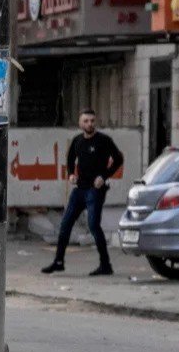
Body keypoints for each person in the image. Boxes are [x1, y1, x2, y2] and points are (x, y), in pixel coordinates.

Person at [43, 108, 124, 276]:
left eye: (92, 121)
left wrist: (104, 176)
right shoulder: (77, 141)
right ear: (80, 123)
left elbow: (118, 159)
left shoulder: (103, 140)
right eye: (86, 121)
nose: (89, 124)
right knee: (65, 225)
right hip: (79, 190)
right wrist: (71, 174)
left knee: (94, 225)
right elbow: (70, 159)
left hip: (95, 190)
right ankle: (58, 262)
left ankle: (105, 265)